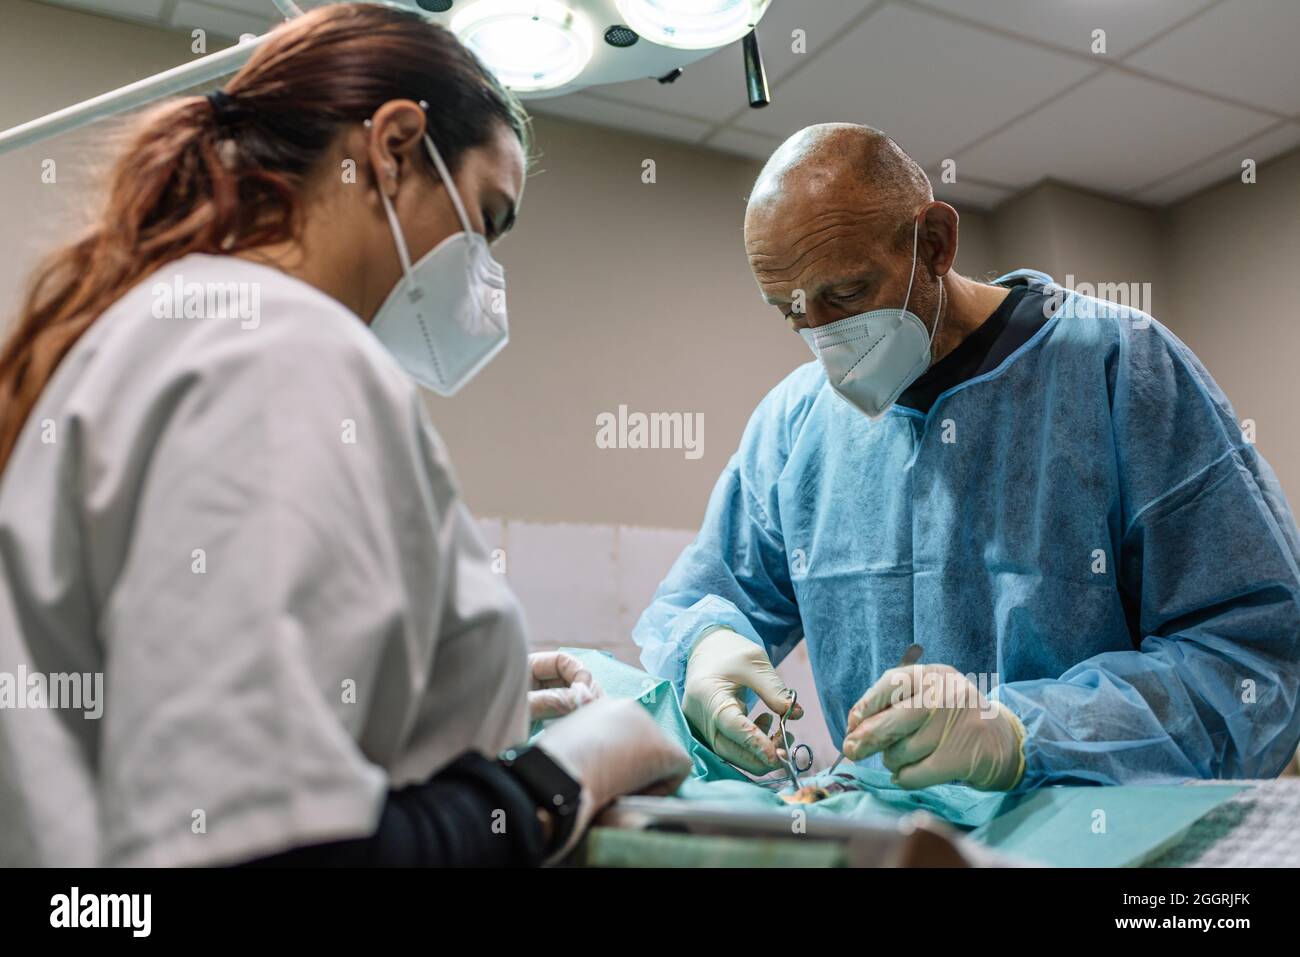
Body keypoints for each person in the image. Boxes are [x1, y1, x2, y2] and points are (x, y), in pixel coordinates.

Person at [0, 3, 688, 868]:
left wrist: (471, 678)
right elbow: (272, 854)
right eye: (486, 217)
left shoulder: (176, 328)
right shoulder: (279, 351)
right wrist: (564, 780)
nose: (486, 272)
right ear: (395, 149)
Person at [634, 123, 1300, 791]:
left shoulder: (1118, 367)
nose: (821, 337)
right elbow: (705, 598)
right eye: (790, 312)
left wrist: (1025, 731)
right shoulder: (793, 423)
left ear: (936, 243)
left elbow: (1255, 660)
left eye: (845, 295)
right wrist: (704, 646)